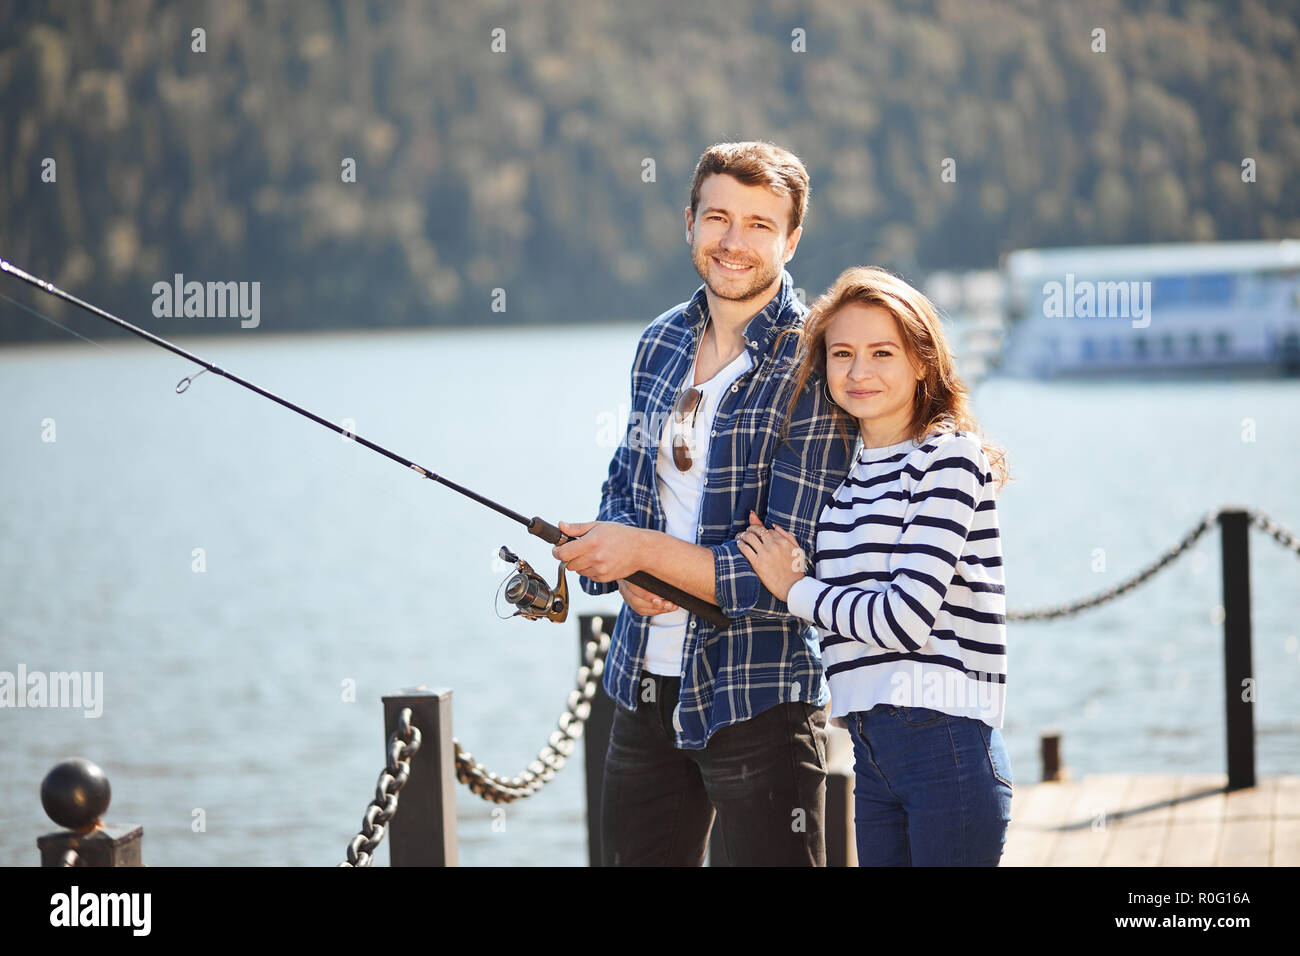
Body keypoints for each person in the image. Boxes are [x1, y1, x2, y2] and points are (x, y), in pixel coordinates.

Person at [551, 142, 855, 866]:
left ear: (791, 239)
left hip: (761, 699)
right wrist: (619, 568)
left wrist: (643, 553)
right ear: (688, 223)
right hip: (640, 689)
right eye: (717, 216)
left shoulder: (817, 359)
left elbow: (776, 570)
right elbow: (623, 489)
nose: (733, 241)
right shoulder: (658, 342)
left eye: (758, 223)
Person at [735, 265, 1013, 866]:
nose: (859, 372)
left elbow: (906, 618)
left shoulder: (949, 459)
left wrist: (796, 589)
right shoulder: (843, 488)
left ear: (921, 362)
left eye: (882, 352)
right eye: (842, 354)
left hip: (947, 743)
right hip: (868, 748)